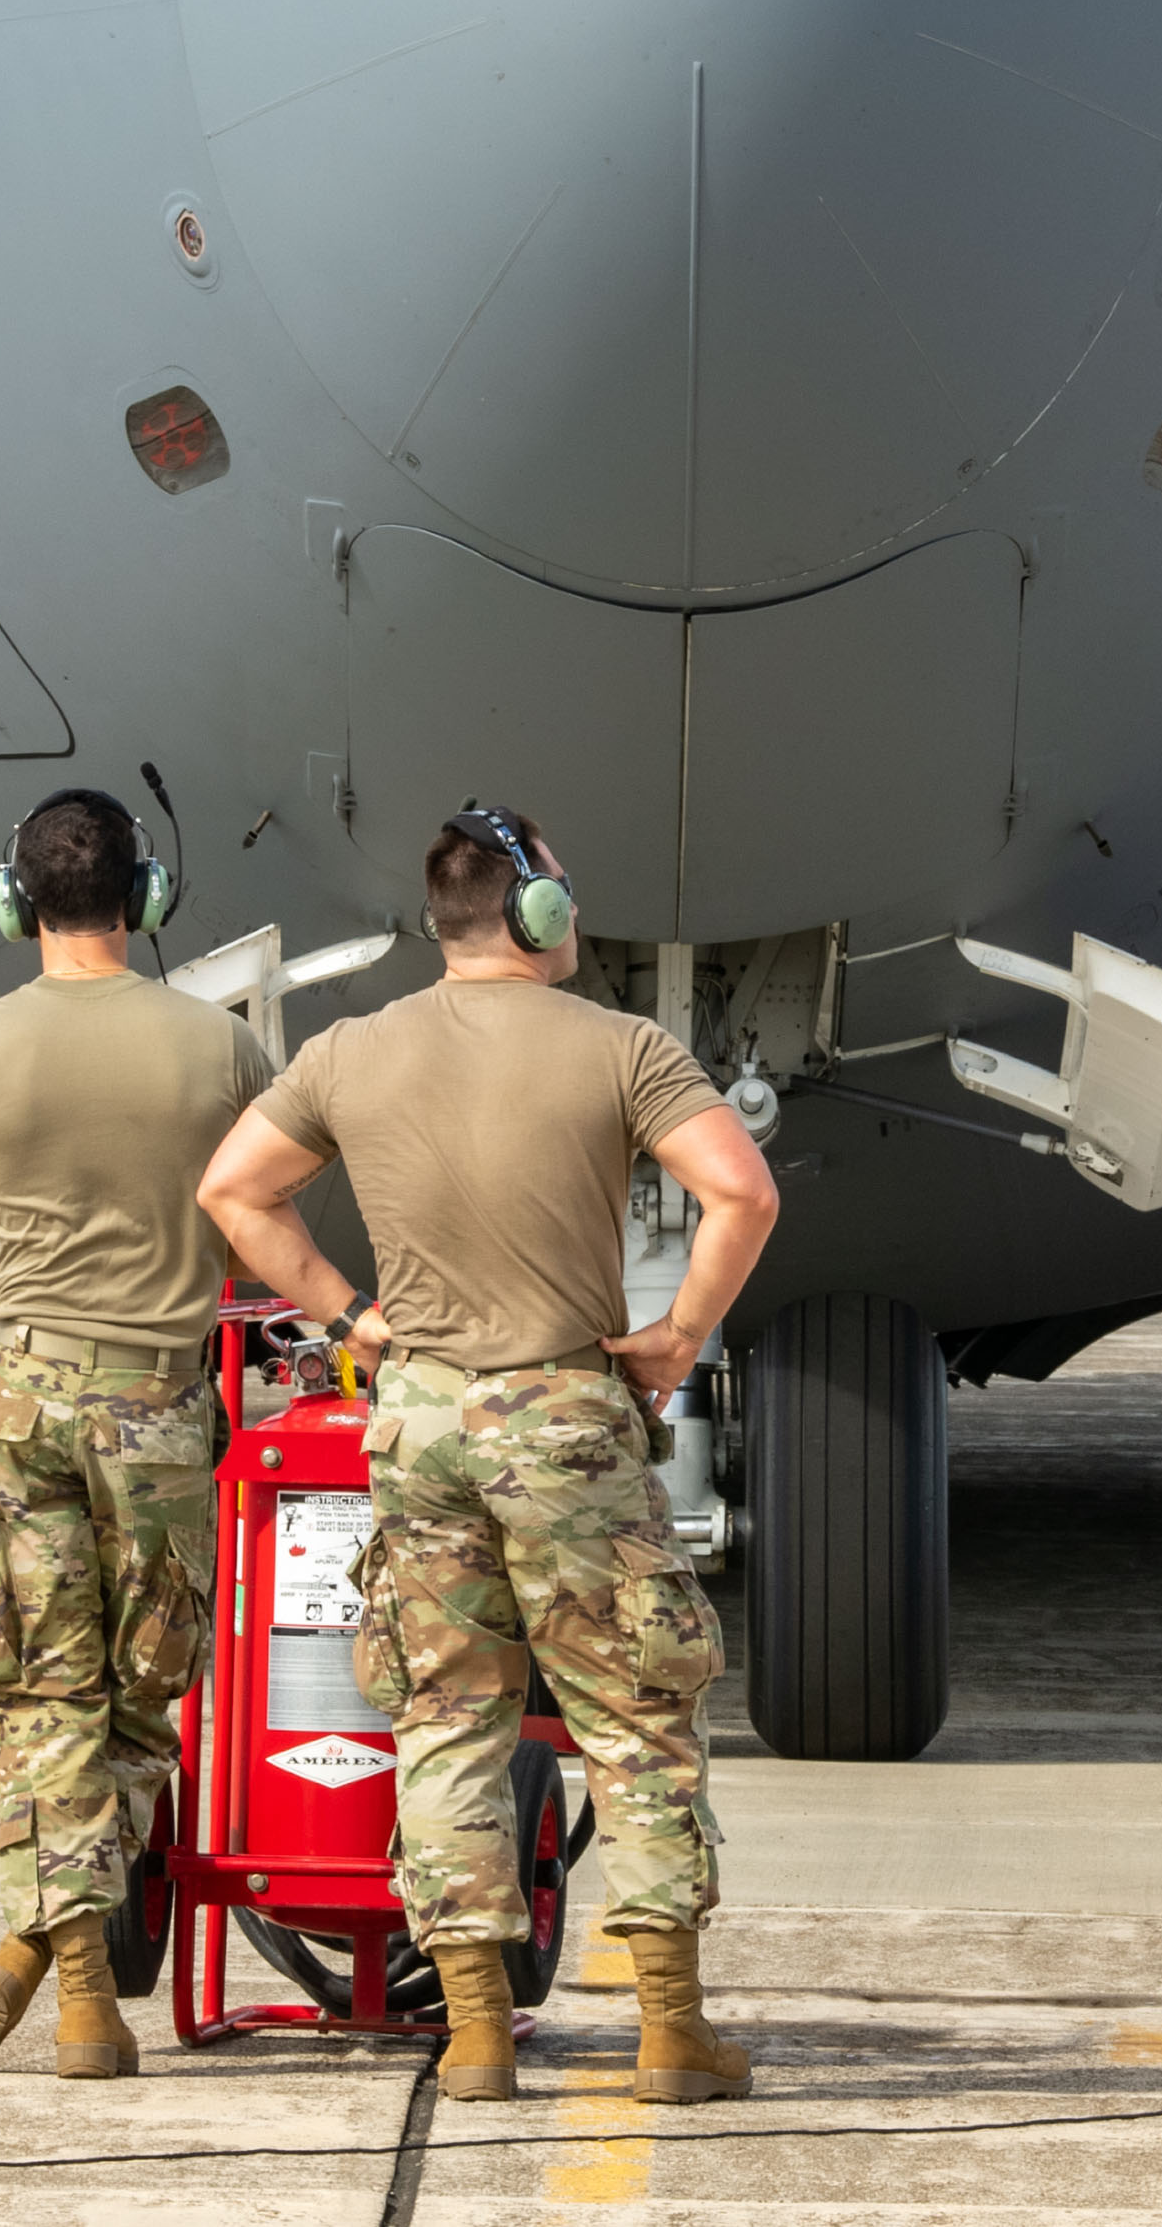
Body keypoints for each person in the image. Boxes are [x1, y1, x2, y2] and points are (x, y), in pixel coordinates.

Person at [195, 807, 784, 2106]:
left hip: (417, 1425)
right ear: (536, 914)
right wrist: (679, 1331)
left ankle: (471, 2034)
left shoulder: (352, 1050)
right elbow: (742, 1191)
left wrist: (346, 1313)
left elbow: (234, 1189)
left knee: (444, 1717)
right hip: (562, 1418)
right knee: (635, 1716)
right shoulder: (623, 1045)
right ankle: (671, 2035)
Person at [0, 787, 253, 2082]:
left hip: (21, 1397)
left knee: (37, 1684)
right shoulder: (217, 1047)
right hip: (157, 1400)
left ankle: (57, 1979)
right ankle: (66, 1978)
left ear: (16, 901)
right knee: (142, 1693)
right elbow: (255, 1180)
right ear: (146, 893)